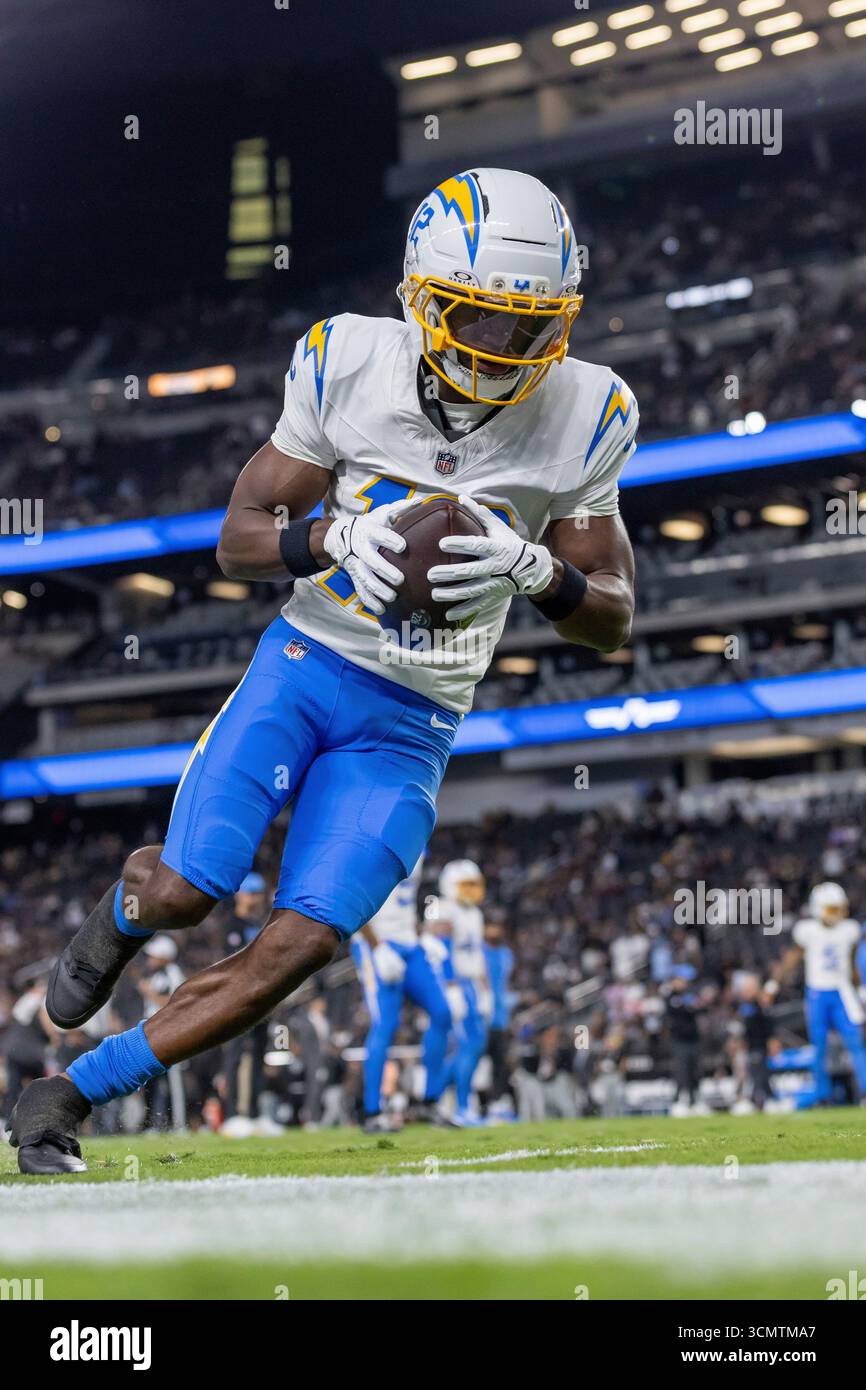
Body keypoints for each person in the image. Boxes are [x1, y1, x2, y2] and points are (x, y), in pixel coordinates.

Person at [9, 166, 638, 1172]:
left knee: (300, 945)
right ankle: (124, 911)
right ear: (420, 298)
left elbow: (608, 619)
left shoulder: (589, 408)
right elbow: (236, 538)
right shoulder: (347, 361)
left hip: (414, 719)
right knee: (186, 889)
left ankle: (67, 1093)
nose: (503, 350)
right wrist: (331, 538)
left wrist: (535, 566)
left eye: (529, 327)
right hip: (305, 664)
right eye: (478, 319)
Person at [351, 858, 452, 1131]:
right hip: (377, 943)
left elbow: (401, 903)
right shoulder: (376, 835)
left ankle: (429, 1102)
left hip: (410, 944)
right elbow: (355, 898)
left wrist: (422, 935)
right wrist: (377, 946)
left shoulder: (419, 837)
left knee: (443, 1013)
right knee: (385, 1025)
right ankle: (372, 1112)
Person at [787, 882, 866, 1105]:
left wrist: (861, 990)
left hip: (842, 991)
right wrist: (773, 984)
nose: (836, 914)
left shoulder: (850, 930)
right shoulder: (807, 930)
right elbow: (793, 958)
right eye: (830, 909)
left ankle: (865, 1090)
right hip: (817, 993)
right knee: (819, 1046)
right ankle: (822, 1094)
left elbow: (852, 965)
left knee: (855, 1042)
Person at [435, 860, 491, 1125]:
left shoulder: (475, 914)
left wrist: (485, 990)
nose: (471, 891)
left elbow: (479, 956)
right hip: (455, 983)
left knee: (474, 1045)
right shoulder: (443, 910)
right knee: (469, 1043)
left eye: (474, 885)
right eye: (465, 885)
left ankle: (433, 1096)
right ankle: (462, 1107)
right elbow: (440, 952)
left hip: (472, 983)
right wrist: (451, 987)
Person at [220, 872, 271, 1125]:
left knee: (260, 1053)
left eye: (259, 894)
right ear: (240, 895)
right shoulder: (232, 925)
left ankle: (254, 1114)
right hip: (238, 1000)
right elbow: (235, 963)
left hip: (263, 999)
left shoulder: (260, 924)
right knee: (235, 1055)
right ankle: (230, 1115)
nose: (256, 899)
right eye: (252, 893)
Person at [482, 920, 514, 1110]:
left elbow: (505, 983)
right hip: (482, 1016)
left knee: (500, 1063)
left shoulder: (506, 954)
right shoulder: (478, 951)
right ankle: (470, 1101)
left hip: (501, 1019)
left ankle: (497, 1102)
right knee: (474, 1060)